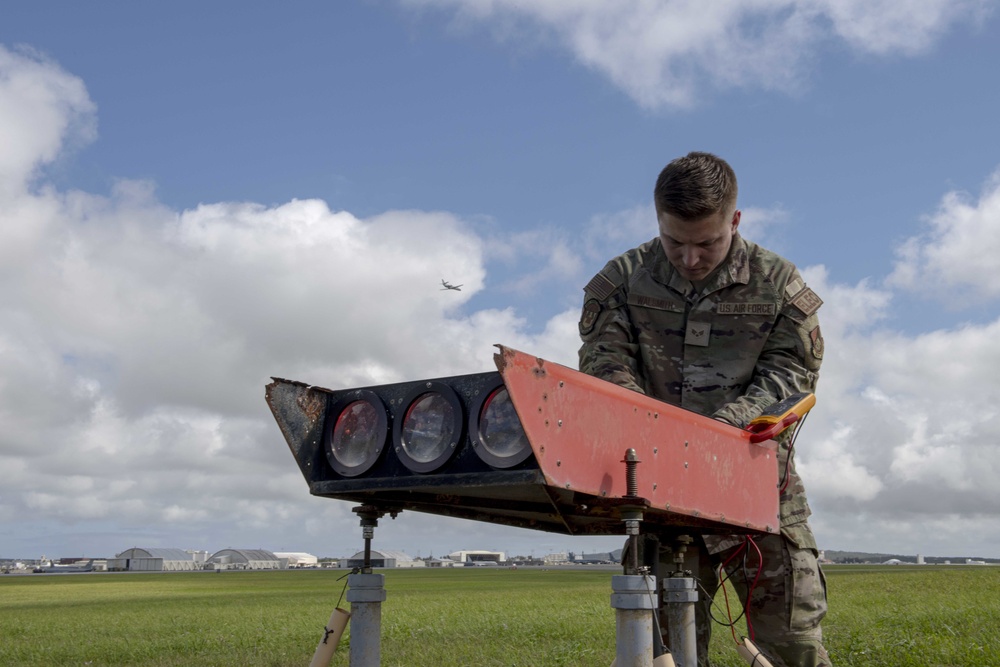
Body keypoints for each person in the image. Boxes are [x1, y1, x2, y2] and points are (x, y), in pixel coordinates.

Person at [578, 152, 831, 667]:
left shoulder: (777, 282)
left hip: (759, 500)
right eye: (675, 243)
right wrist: (663, 434)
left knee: (794, 648)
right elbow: (604, 368)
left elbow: (791, 375)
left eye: (707, 243)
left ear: (734, 220)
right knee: (662, 655)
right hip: (658, 499)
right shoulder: (623, 281)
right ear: (657, 222)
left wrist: (721, 430)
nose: (690, 259)